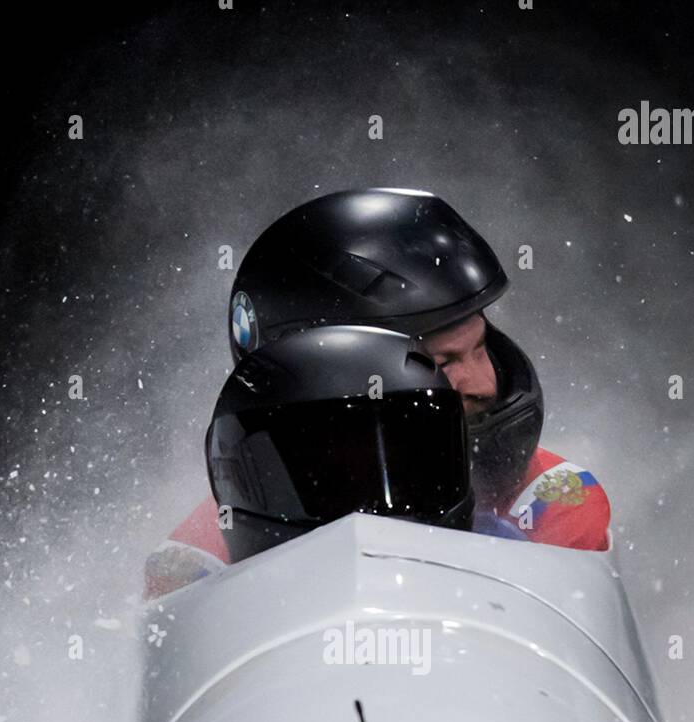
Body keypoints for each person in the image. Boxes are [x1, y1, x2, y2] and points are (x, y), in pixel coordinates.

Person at [159, 189, 609, 584]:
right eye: (445, 361)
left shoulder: (556, 502)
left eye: (480, 348)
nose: (486, 385)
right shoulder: (204, 550)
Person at [143, 324, 477, 595]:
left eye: (405, 465)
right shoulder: (187, 576)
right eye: (338, 476)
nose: (368, 514)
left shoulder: (501, 541)